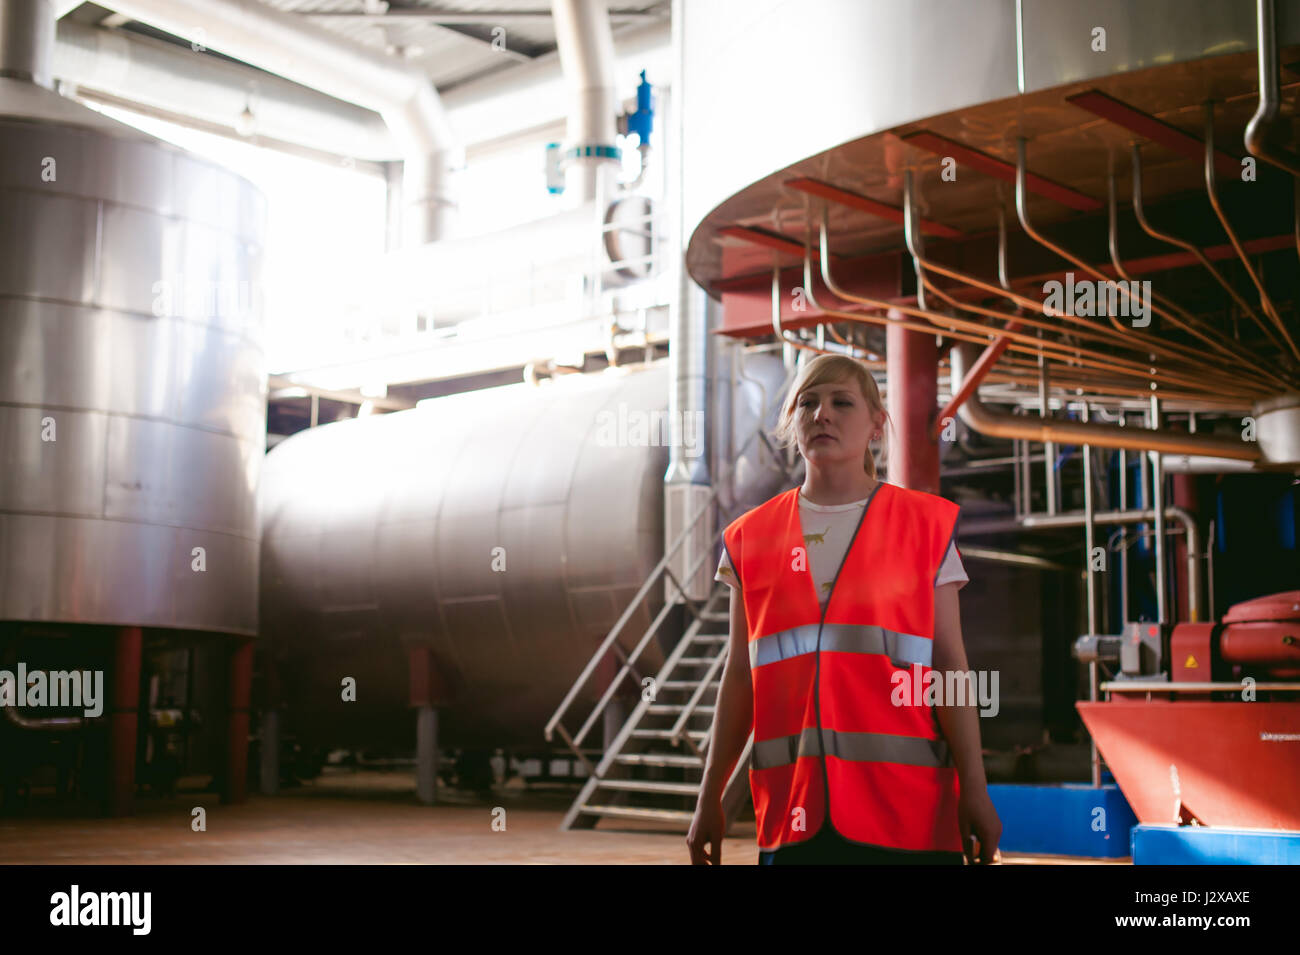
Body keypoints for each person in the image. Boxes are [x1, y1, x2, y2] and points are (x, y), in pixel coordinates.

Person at [686, 354, 1001, 865]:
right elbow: (740, 677)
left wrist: (976, 789)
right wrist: (710, 796)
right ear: (792, 421)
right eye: (807, 403)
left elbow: (950, 667)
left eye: (841, 402)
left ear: (877, 424)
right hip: (794, 817)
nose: (822, 414)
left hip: (909, 815)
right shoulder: (749, 539)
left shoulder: (924, 527)